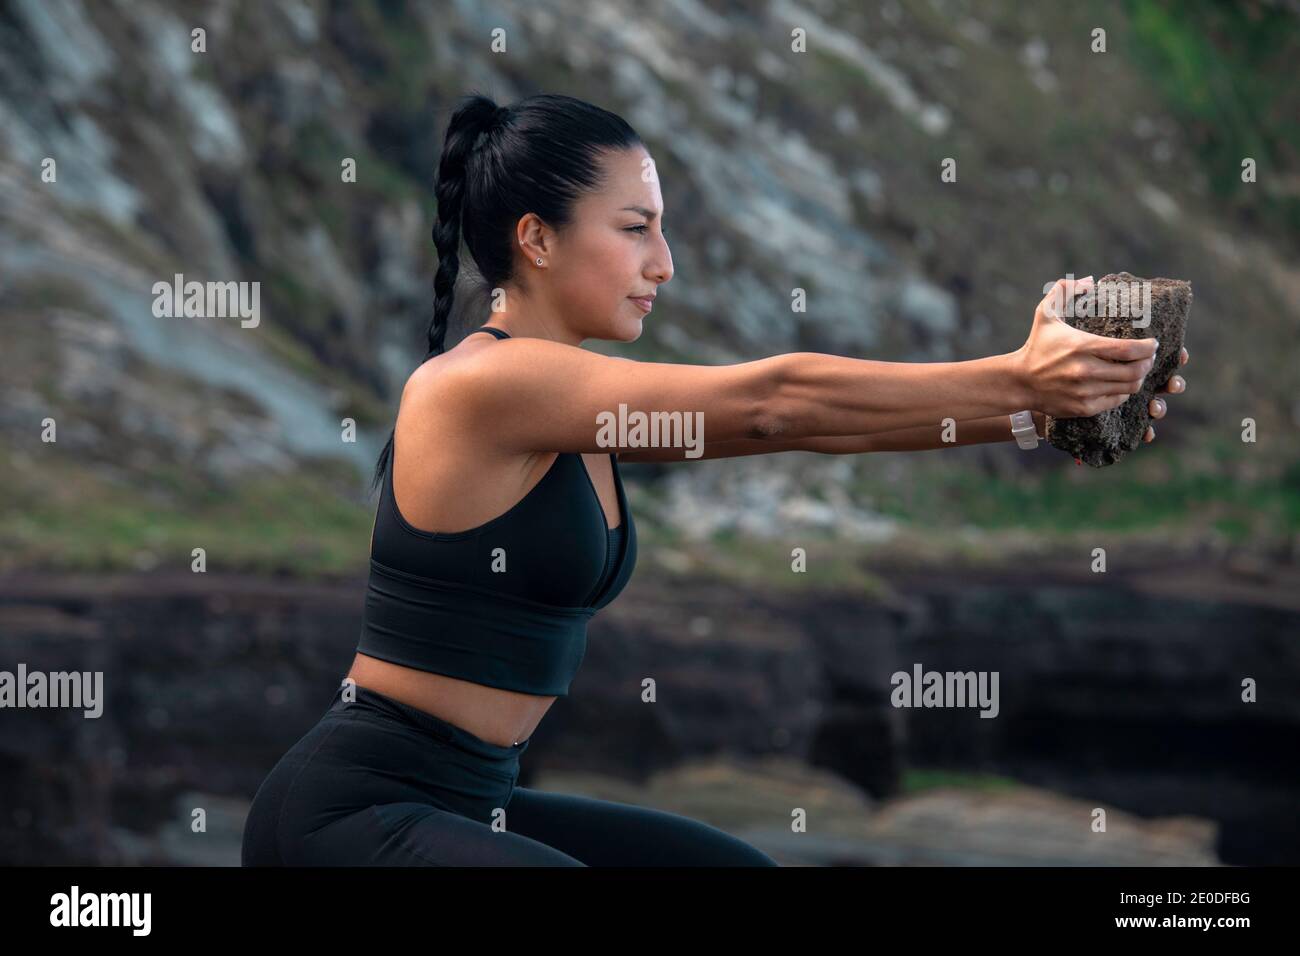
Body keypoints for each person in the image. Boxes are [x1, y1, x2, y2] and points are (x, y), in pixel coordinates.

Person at [241, 91, 1189, 867]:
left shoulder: (579, 400)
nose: (665, 263)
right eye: (636, 228)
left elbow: (808, 433)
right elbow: (777, 404)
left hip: (475, 801)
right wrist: (1017, 377)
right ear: (536, 238)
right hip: (349, 815)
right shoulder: (488, 383)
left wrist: (1046, 411)